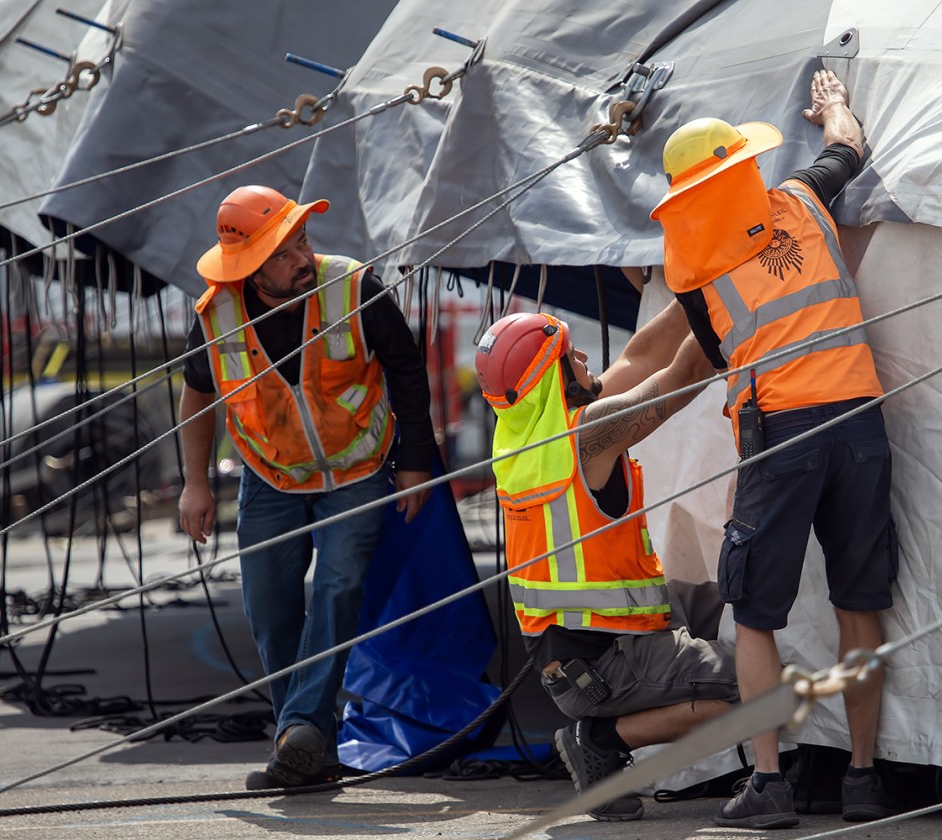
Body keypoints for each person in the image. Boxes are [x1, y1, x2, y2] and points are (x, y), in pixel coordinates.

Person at [649, 70, 900, 826]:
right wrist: (832, 107)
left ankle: (769, 784)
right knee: (862, 601)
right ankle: (863, 778)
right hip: (858, 420)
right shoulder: (800, 197)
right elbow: (847, 148)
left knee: (755, 613)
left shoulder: (694, 275)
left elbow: (722, 356)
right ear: (744, 166)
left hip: (779, 434)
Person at [177, 185, 435, 789]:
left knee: (339, 585)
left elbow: (406, 365)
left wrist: (416, 458)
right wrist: (195, 484)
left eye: (303, 243)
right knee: (268, 607)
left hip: (357, 468)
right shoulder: (215, 316)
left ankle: (297, 733)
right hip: (271, 477)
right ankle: (310, 751)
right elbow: (196, 396)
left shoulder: (352, 287)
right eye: (285, 253)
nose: (304, 259)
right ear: (250, 269)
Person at [474, 303, 740, 822]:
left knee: (729, 611)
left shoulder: (524, 436)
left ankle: (598, 731)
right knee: (763, 685)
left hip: (575, 660)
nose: (581, 355)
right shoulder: (586, 434)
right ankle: (597, 739)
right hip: (605, 662)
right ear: (550, 375)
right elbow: (684, 374)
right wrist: (733, 291)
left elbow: (641, 354)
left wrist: (697, 286)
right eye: (566, 352)